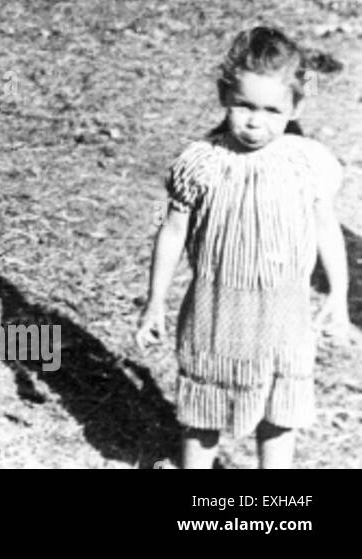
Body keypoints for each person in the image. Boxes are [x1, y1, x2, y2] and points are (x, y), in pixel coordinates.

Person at [136, 25, 349, 468]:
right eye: (244, 106)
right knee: (203, 410)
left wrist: (340, 296)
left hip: (282, 317)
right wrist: (154, 301)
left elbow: (327, 230)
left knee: (280, 410)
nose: (255, 121)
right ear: (223, 95)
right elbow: (173, 232)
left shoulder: (307, 164)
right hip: (217, 312)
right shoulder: (203, 163)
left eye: (272, 110)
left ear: (295, 105)